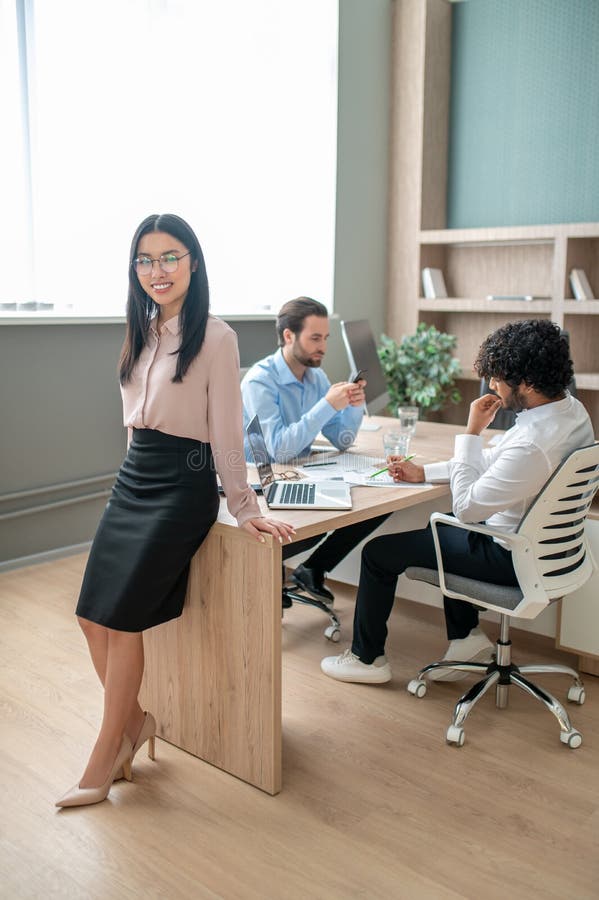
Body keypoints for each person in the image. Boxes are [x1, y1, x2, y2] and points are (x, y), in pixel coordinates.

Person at [56, 214, 293, 808]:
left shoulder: (215, 336)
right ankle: (136, 722)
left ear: (193, 262)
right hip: (134, 478)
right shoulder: (140, 328)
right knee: (91, 616)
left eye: (169, 257)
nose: (156, 270)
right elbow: (132, 420)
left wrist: (243, 505)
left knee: (124, 620)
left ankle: (105, 752)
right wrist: (126, 482)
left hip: (180, 487)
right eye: (145, 259)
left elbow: (227, 429)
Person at [321, 319, 594, 684]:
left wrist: (471, 432)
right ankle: (465, 638)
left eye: (497, 377)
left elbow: (467, 508)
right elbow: (497, 462)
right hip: (550, 548)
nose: (492, 385)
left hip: (511, 556)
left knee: (378, 554)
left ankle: (366, 660)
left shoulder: (533, 443)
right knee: (442, 525)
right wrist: (424, 472)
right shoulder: (569, 411)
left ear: (527, 383)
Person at [241, 297, 387, 604]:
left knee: (378, 503)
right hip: (262, 485)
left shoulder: (315, 376)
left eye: (326, 338)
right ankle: (270, 581)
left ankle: (313, 568)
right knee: (329, 519)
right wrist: (327, 405)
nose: (323, 347)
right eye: (315, 338)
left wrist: (353, 406)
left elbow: (341, 439)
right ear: (289, 336)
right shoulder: (260, 381)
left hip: (298, 474)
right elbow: (279, 450)